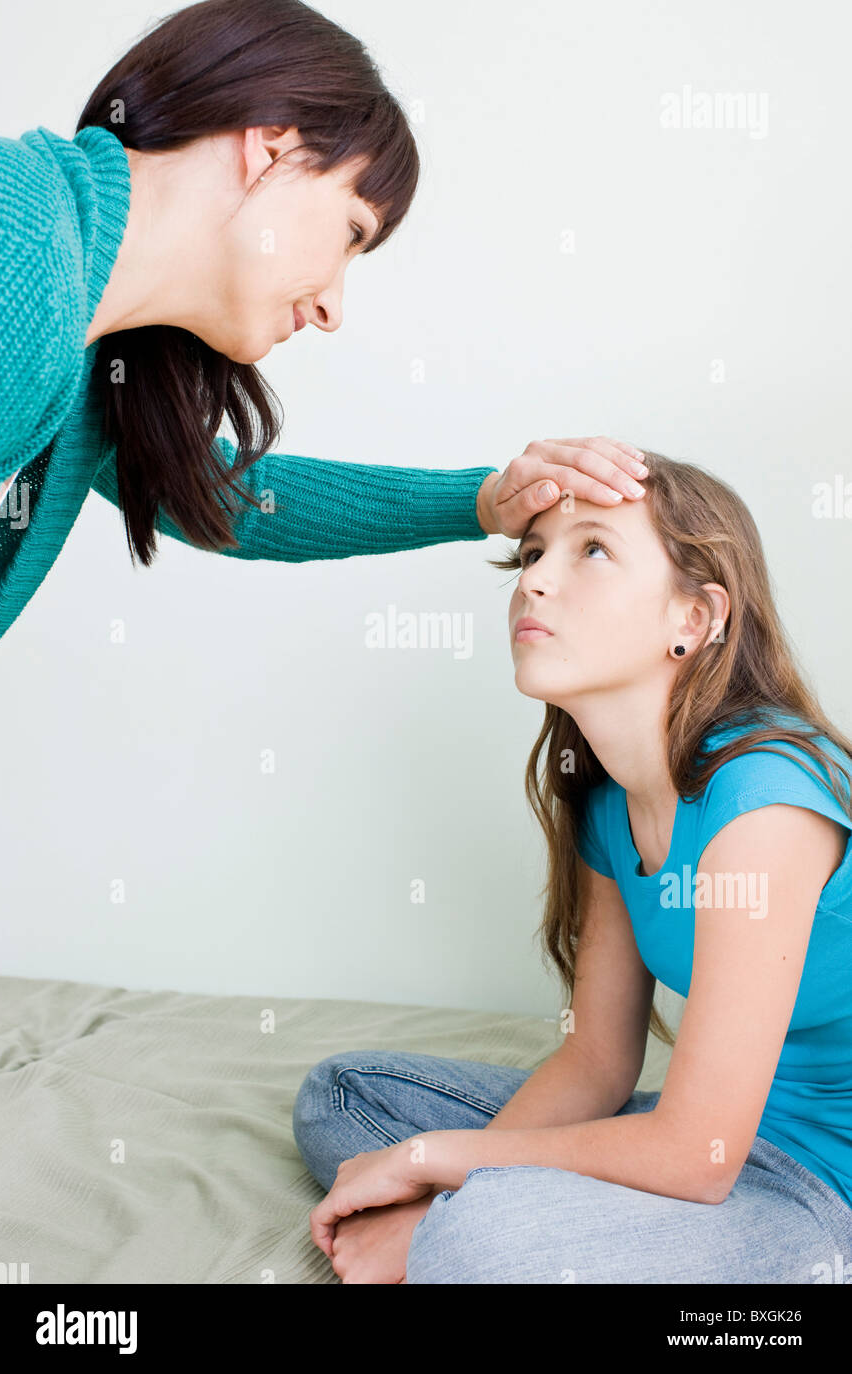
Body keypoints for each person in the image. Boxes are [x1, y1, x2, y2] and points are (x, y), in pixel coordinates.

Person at [292, 450, 852, 1284]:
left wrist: (430, 1172)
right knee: (342, 1096)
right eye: (531, 553)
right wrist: (443, 1165)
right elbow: (596, 1062)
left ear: (694, 619)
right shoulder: (606, 800)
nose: (535, 583)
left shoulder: (765, 802)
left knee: (475, 1242)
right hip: (703, 1134)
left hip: (816, 1192)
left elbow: (698, 1157)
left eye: (591, 549)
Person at [0, 0, 648, 654]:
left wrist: (484, 502)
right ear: (273, 149)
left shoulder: (92, 351)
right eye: (352, 233)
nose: (332, 306)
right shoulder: (15, 244)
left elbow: (231, 495)